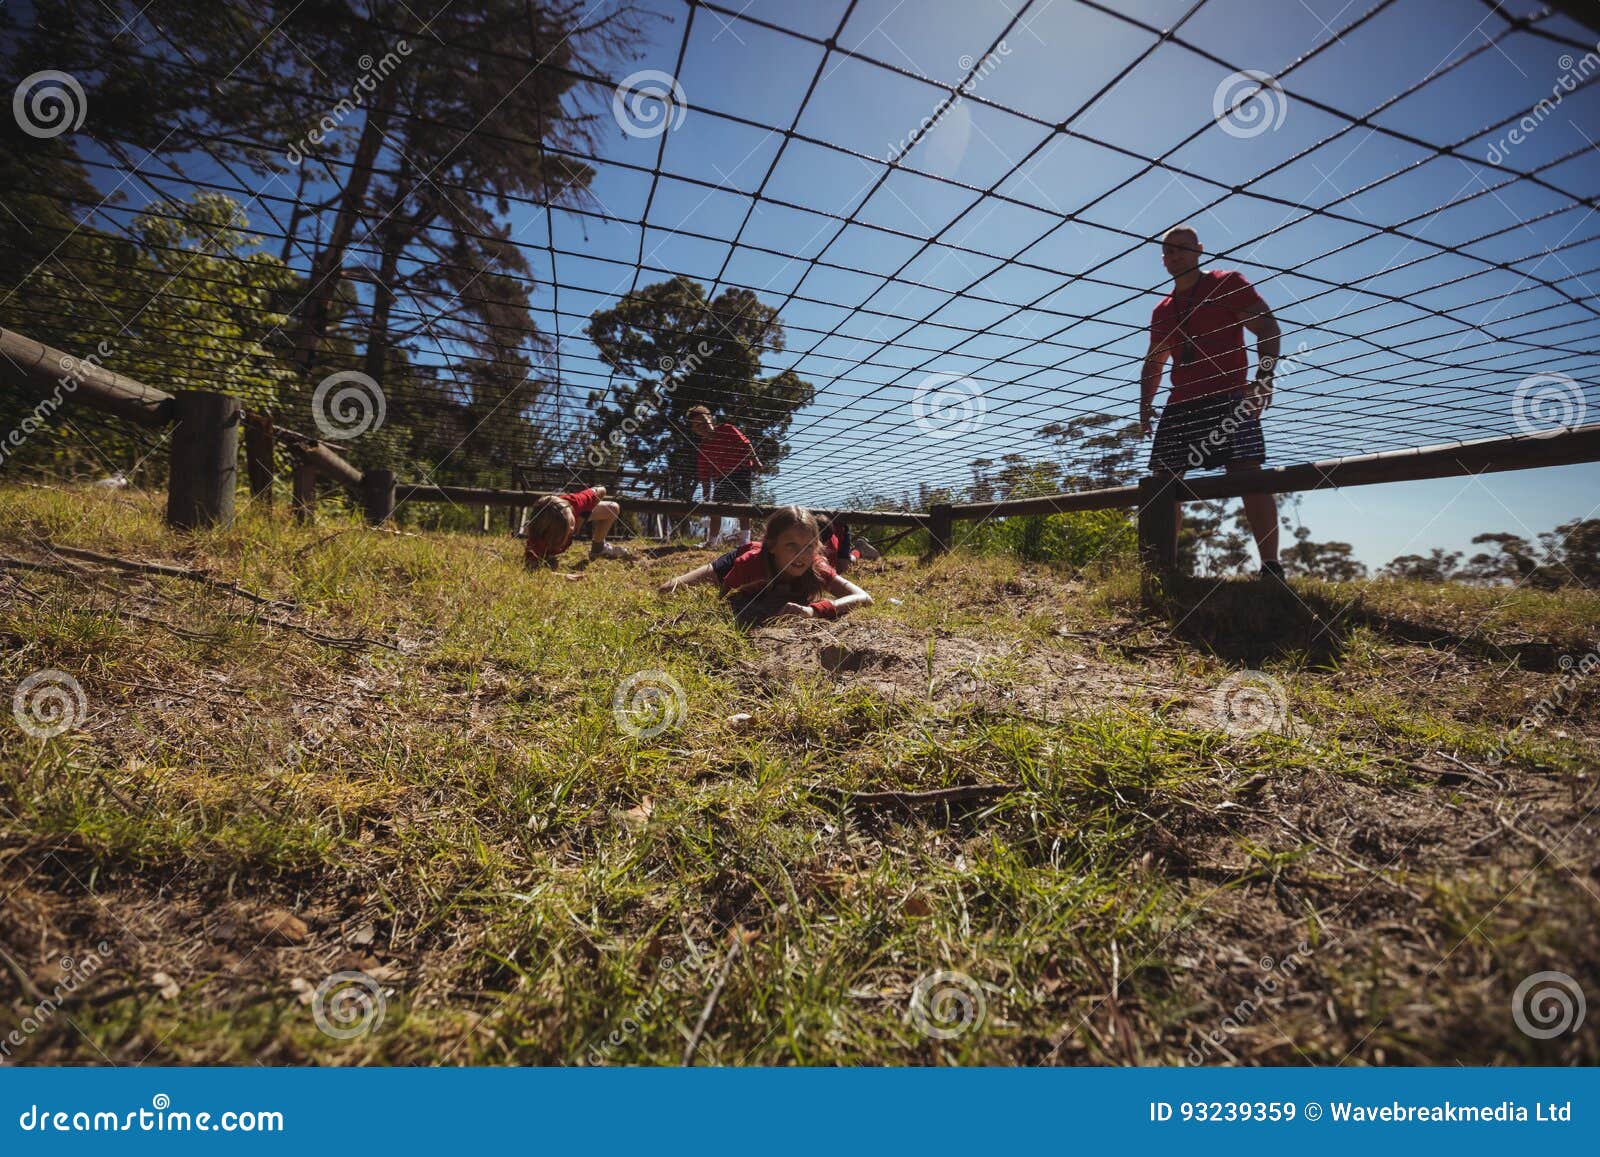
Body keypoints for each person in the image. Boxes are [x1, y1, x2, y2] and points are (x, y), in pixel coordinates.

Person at [1140, 224, 1284, 579]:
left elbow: (1268, 328)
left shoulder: (1227, 282)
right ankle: (1162, 569)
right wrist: (1145, 405)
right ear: (1163, 259)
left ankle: (1271, 566)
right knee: (1163, 481)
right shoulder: (1162, 310)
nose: (1175, 255)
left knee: (1247, 473)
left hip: (1229, 396)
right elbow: (1155, 359)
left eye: (1182, 248)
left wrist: (1264, 379)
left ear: (1200, 249)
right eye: (1168, 251)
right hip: (1181, 403)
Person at [658, 505, 873, 627]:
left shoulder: (815, 565)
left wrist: (813, 610)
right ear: (772, 546)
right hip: (741, 557)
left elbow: (864, 598)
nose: (800, 555)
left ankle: (859, 551)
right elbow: (722, 600)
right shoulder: (749, 564)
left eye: (808, 546)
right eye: (791, 546)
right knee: (668, 590)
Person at [686, 405, 762, 547]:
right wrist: (706, 491)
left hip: (741, 472)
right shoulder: (703, 448)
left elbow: (746, 444)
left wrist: (756, 460)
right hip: (721, 479)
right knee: (716, 510)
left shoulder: (727, 429)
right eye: (696, 425)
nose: (701, 426)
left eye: (703, 421)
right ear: (694, 430)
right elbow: (704, 472)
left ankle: (745, 541)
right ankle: (712, 542)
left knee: (743, 506)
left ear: (710, 419)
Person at [522, 484, 632, 569]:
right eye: (569, 527)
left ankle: (598, 548)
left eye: (572, 523)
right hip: (547, 542)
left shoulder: (576, 502)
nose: (572, 529)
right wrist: (563, 576)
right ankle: (549, 553)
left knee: (612, 508)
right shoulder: (537, 540)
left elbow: (601, 489)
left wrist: (582, 517)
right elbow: (531, 568)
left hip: (575, 511)